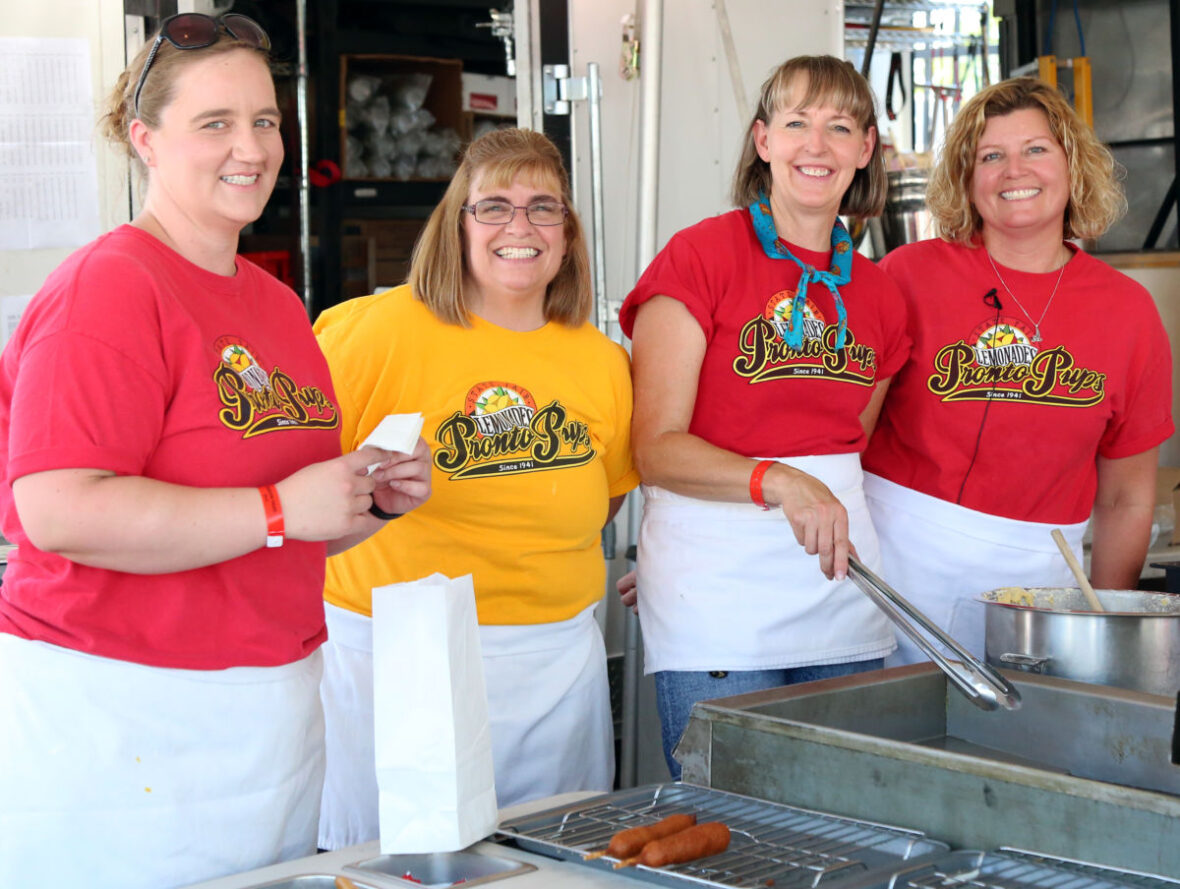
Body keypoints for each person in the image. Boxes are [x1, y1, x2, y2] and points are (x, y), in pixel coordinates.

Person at [0, 14, 430, 889]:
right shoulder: (108, 287)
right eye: (216, 123)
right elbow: (58, 507)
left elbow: (276, 524)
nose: (252, 146)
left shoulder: (273, 304)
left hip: (268, 724)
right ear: (144, 139)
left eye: (266, 120)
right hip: (122, 725)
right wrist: (280, 509)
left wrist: (360, 501)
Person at [313, 127, 639, 849]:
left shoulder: (602, 361)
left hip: (554, 664)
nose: (518, 227)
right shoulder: (375, 332)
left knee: (551, 862)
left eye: (542, 208)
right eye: (493, 206)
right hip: (396, 656)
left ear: (567, 232)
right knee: (390, 862)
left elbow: (605, 496)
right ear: (455, 224)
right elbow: (293, 473)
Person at [619, 55, 910, 779]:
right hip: (717, 603)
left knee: (847, 825)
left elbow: (848, 444)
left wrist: (801, 483)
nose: (818, 146)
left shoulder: (878, 295)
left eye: (840, 127)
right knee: (737, 830)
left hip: (840, 593)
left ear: (865, 149)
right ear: (763, 141)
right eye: (796, 124)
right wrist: (777, 481)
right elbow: (654, 447)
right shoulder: (699, 258)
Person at [863, 77, 1174, 664]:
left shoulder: (1127, 311)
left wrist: (1101, 628)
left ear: (1071, 164)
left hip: (1041, 592)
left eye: (1035, 149)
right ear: (966, 178)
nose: (1014, 171)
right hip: (889, 575)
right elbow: (836, 437)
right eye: (991, 156)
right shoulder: (908, 276)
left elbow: (1127, 499)